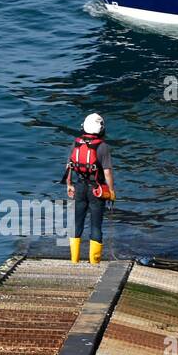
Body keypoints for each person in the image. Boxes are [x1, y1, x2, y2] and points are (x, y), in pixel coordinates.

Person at [64, 112, 114, 264]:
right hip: (96, 190)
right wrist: (111, 191)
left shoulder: (76, 143)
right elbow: (107, 172)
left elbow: (69, 166)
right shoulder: (103, 146)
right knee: (96, 225)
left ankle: (74, 260)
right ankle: (94, 262)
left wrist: (69, 184)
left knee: (77, 223)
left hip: (79, 187)